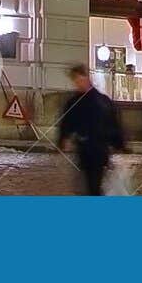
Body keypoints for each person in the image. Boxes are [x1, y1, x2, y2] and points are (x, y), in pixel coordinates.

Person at [57, 64, 127, 195]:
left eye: (80, 79)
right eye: (76, 81)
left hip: (99, 150)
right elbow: (67, 122)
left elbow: (113, 123)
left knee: (94, 185)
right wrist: (64, 138)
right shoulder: (74, 102)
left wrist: (119, 143)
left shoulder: (102, 101)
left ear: (87, 78)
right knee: (88, 185)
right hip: (84, 151)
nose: (78, 83)